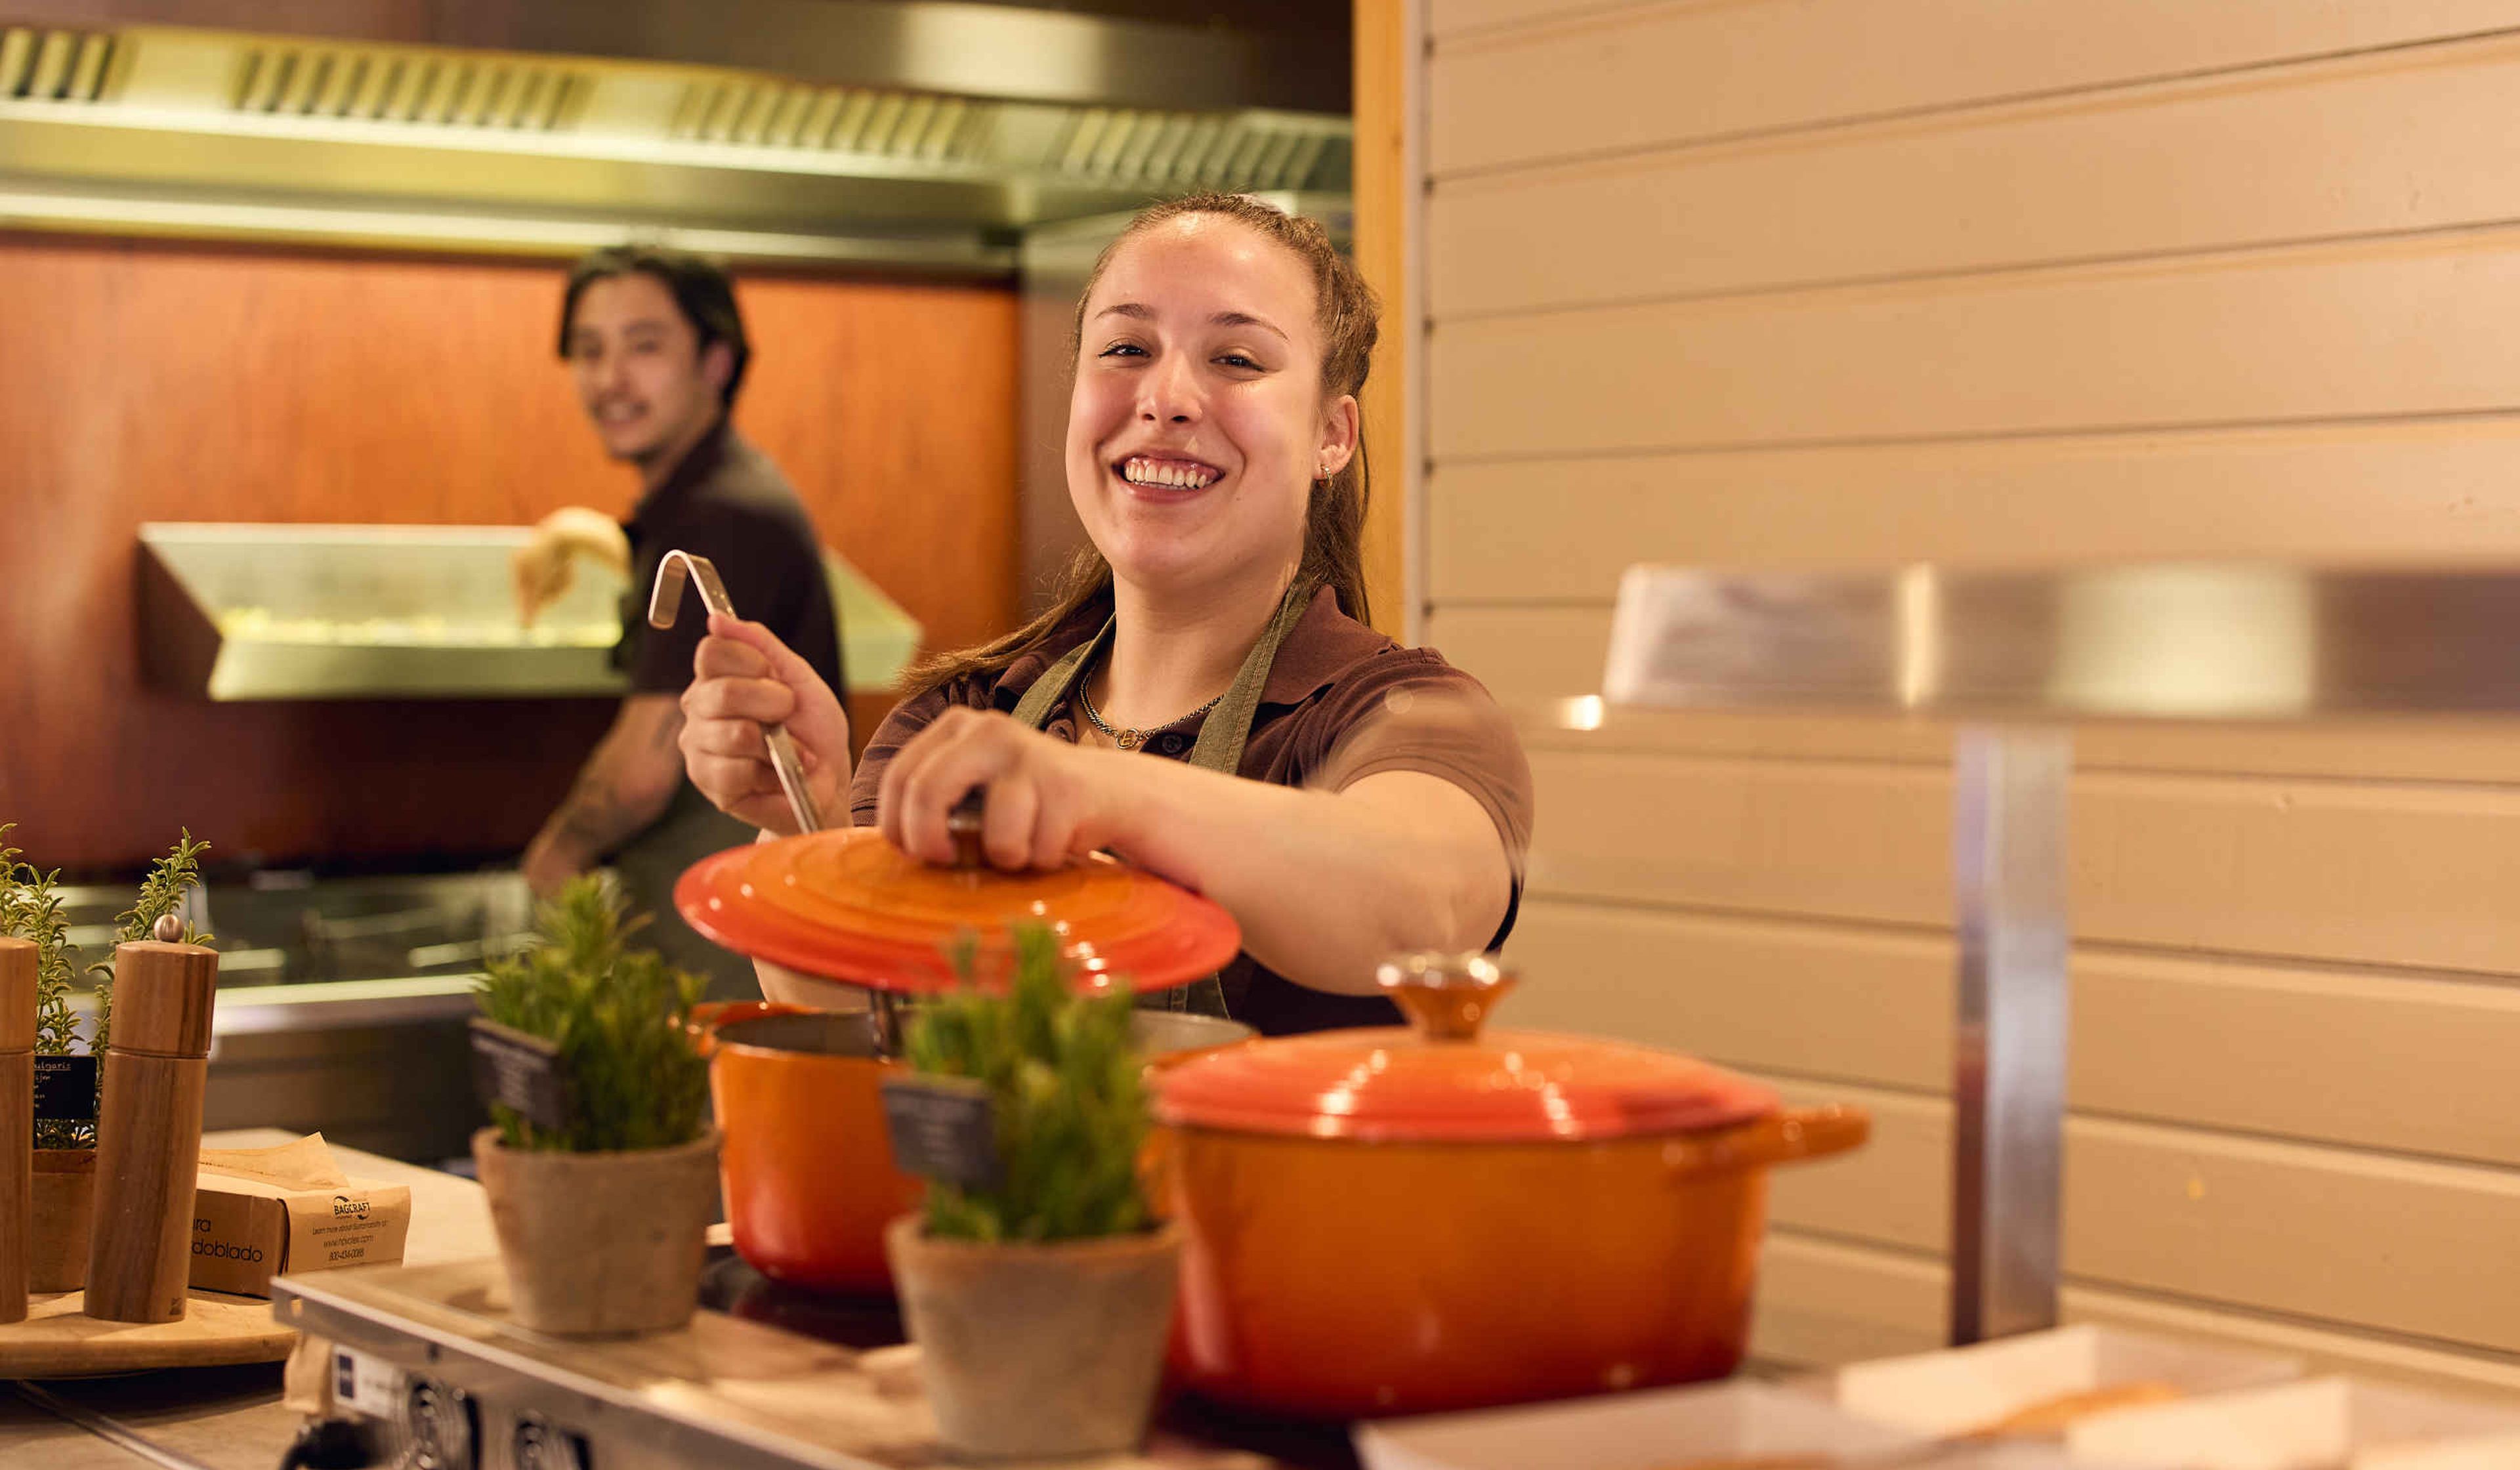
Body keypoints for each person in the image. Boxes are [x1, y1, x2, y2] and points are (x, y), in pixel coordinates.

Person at [677, 194, 1530, 1034]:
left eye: (1235, 359)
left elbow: (1423, 909)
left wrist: (1096, 790)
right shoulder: (965, 719)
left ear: (1331, 437)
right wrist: (804, 821)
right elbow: (866, 1025)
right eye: (1125, 348)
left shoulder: (1406, 716)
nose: (1166, 398)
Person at [514, 245, 843, 996]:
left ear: (717, 361)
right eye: (590, 350)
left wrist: (550, 861)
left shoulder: (719, 514)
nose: (610, 378)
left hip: (722, 939)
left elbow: (640, 771)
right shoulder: (713, 496)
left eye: (645, 346)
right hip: (712, 920)